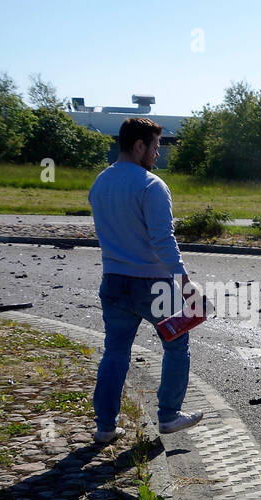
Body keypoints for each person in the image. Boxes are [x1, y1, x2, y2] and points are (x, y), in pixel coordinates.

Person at [87, 117, 203, 443]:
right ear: (139, 146)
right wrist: (184, 281)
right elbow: (163, 239)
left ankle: (105, 427)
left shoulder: (100, 183)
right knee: (177, 345)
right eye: (154, 147)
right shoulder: (151, 185)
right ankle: (168, 415)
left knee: (115, 353)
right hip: (154, 285)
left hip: (112, 281)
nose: (157, 154)